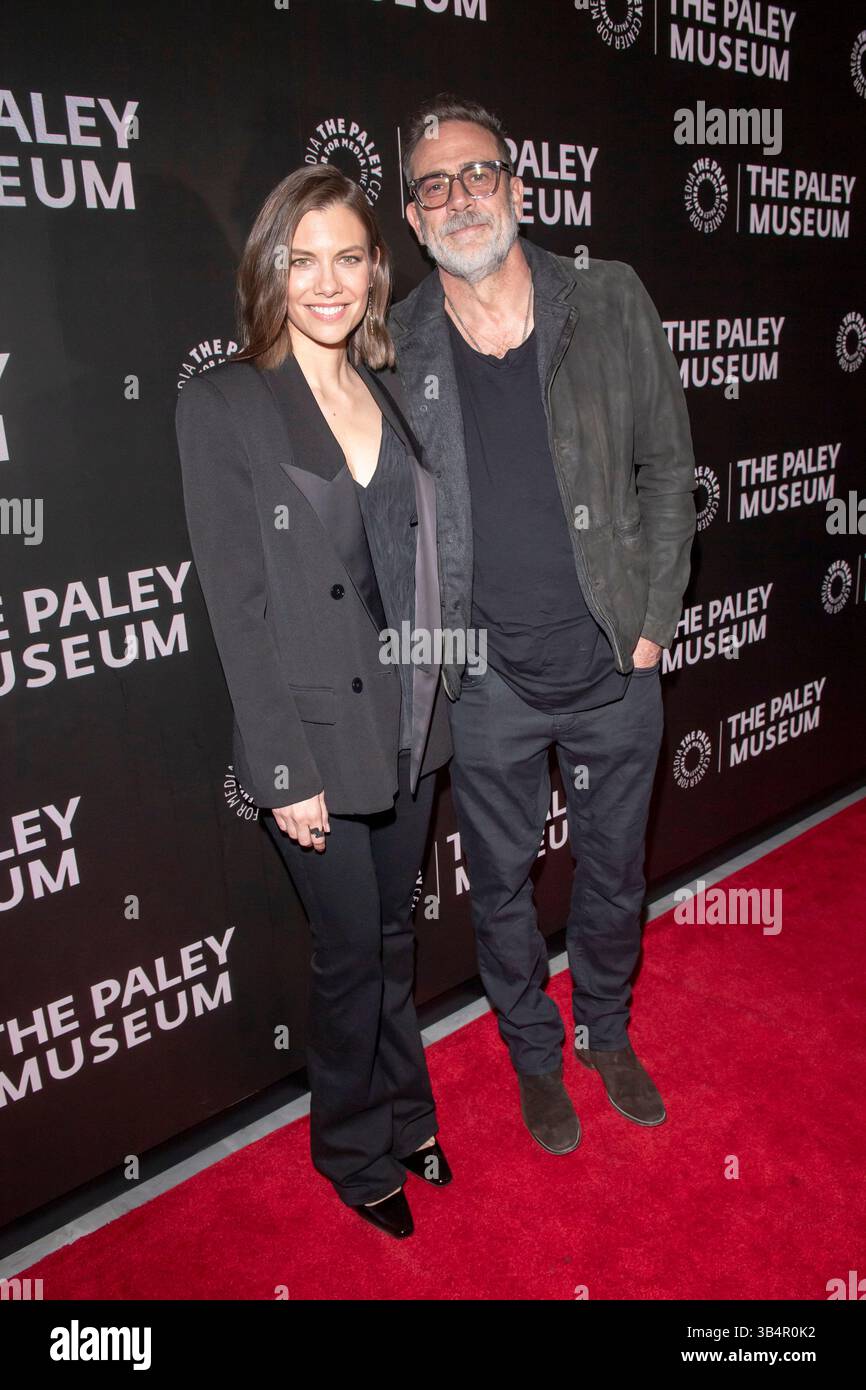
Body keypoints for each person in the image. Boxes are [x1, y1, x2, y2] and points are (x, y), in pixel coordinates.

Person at [377, 93, 697, 1154]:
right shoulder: (398, 341)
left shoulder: (604, 301)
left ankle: (604, 1030)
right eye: (434, 186)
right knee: (501, 880)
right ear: (414, 223)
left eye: (478, 175)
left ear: (516, 188)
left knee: (612, 866)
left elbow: (665, 467)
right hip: (489, 683)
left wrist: (652, 616)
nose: (460, 198)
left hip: (613, 662)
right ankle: (529, 1050)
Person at [175, 164, 453, 1238]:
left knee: (392, 940)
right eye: (303, 261)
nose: (327, 283)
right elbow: (237, 608)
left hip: (408, 725)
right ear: (269, 270)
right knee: (348, 953)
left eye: (347, 258)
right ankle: (351, 1147)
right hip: (314, 741)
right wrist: (281, 767)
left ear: (376, 271)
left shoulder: (385, 387)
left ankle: (407, 1111)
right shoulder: (226, 402)